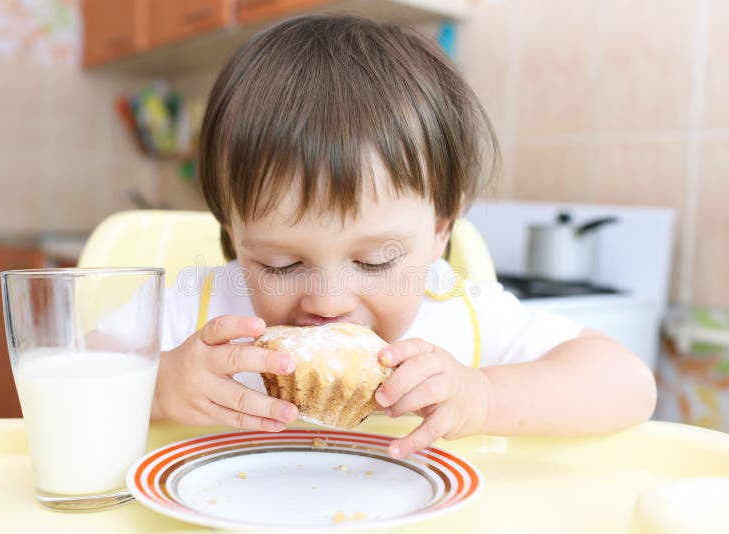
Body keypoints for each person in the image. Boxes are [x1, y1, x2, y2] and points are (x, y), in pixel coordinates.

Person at [149, 14, 656, 459]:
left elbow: (629, 384)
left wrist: (485, 397)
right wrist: (156, 388)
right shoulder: (196, 312)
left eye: (375, 261)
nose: (328, 304)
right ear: (234, 234)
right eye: (281, 264)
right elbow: (71, 370)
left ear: (440, 230)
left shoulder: (463, 311)